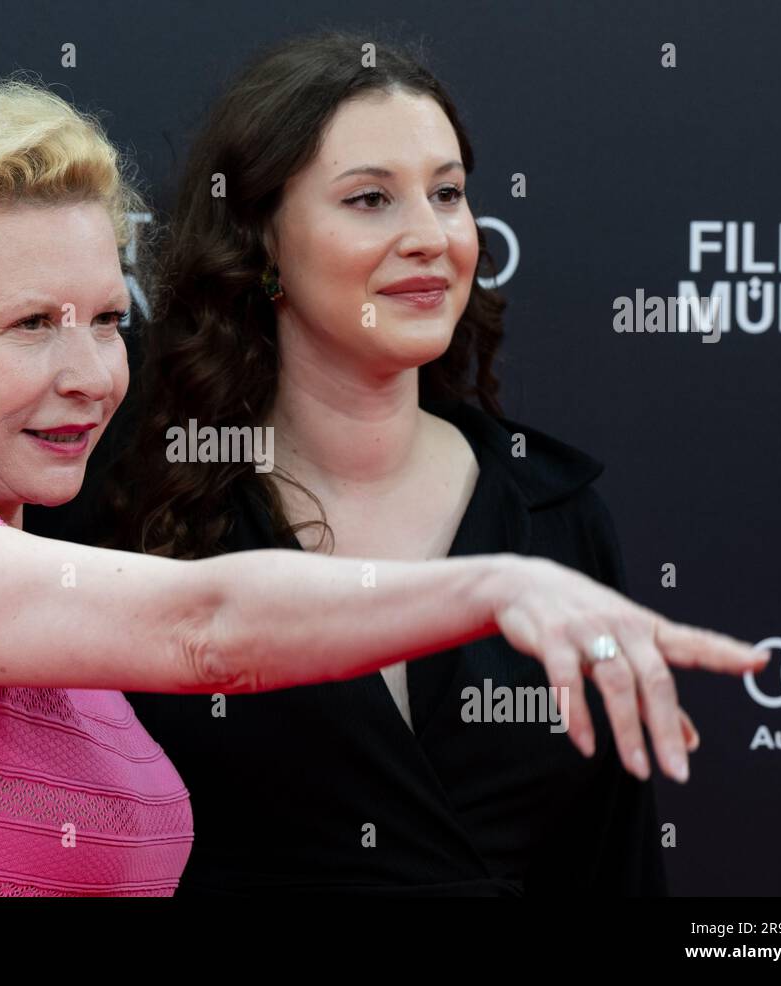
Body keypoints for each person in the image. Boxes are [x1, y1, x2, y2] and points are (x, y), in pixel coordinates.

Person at [0, 62, 763, 897]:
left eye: (104, 318)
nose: (91, 373)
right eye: (29, 324)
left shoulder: (46, 606)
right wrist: (498, 585)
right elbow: (205, 625)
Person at [105, 32, 707, 895]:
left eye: (449, 194)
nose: (429, 236)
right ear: (264, 238)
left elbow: (617, 865)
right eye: (370, 200)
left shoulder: (556, 514)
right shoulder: (143, 503)